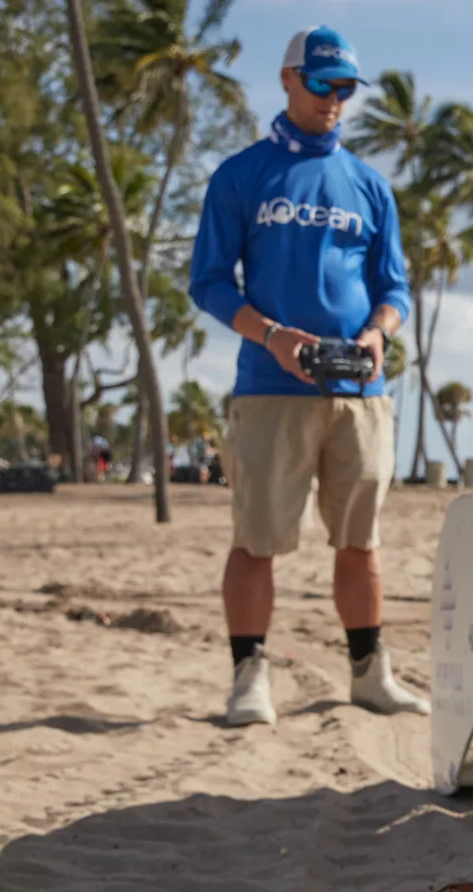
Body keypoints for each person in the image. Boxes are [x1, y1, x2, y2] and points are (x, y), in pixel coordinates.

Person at [187, 25, 427, 726]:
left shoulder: (369, 186)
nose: (334, 100)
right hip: (269, 389)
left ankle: (369, 673)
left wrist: (378, 334)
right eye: (322, 84)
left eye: (346, 88)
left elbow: (397, 288)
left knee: (360, 541)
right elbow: (207, 283)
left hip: (359, 394)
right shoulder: (241, 175)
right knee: (256, 537)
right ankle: (247, 677)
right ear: (289, 79)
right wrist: (272, 335)